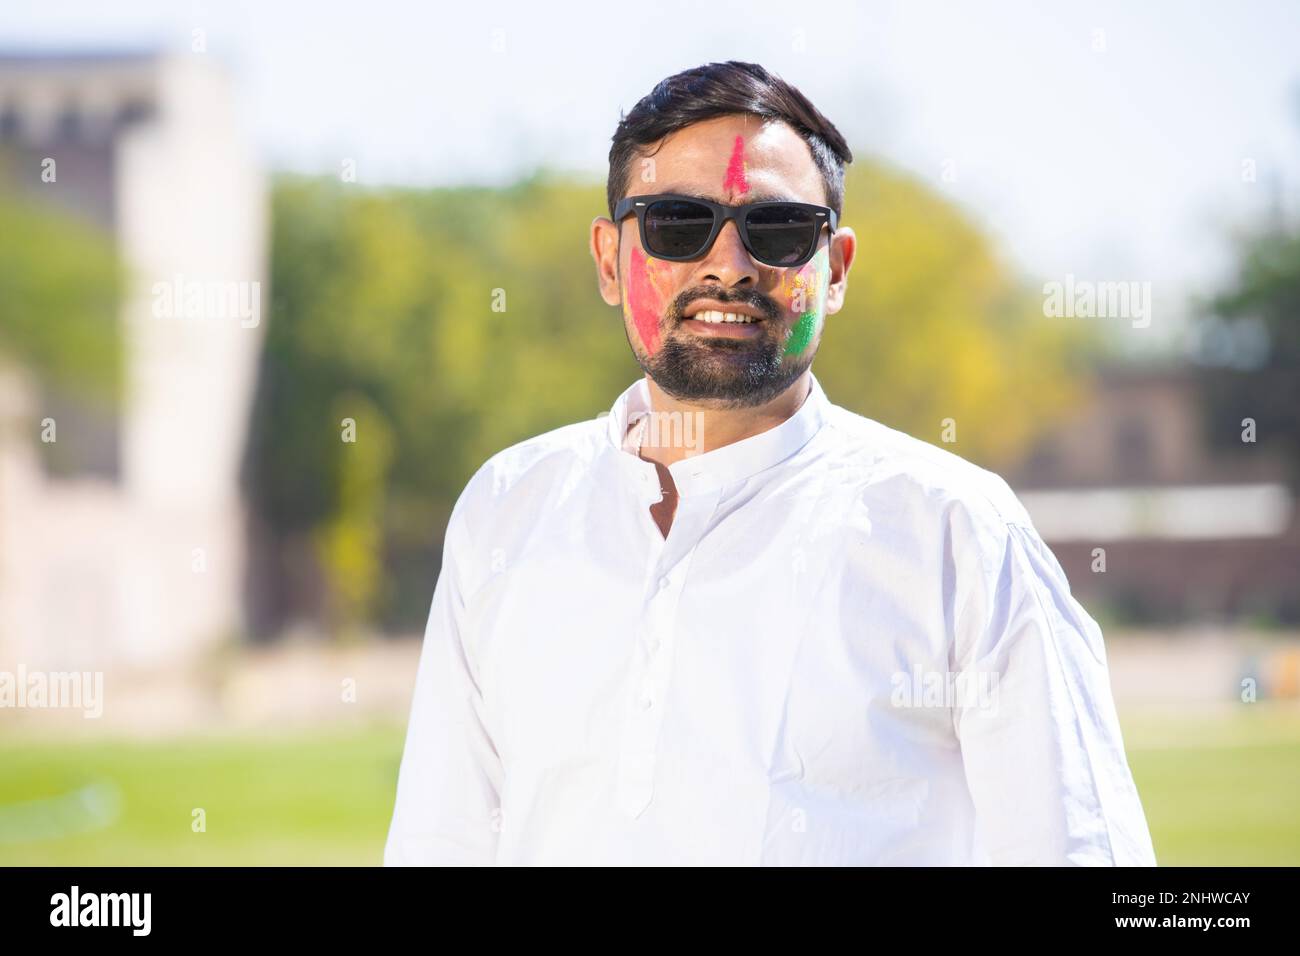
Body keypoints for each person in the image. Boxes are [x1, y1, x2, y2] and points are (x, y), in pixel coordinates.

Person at [384, 60, 1156, 866]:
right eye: (677, 224)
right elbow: (442, 840)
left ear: (838, 269)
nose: (729, 266)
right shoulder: (509, 509)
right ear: (610, 260)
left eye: (777, 230)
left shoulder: (955, 532)